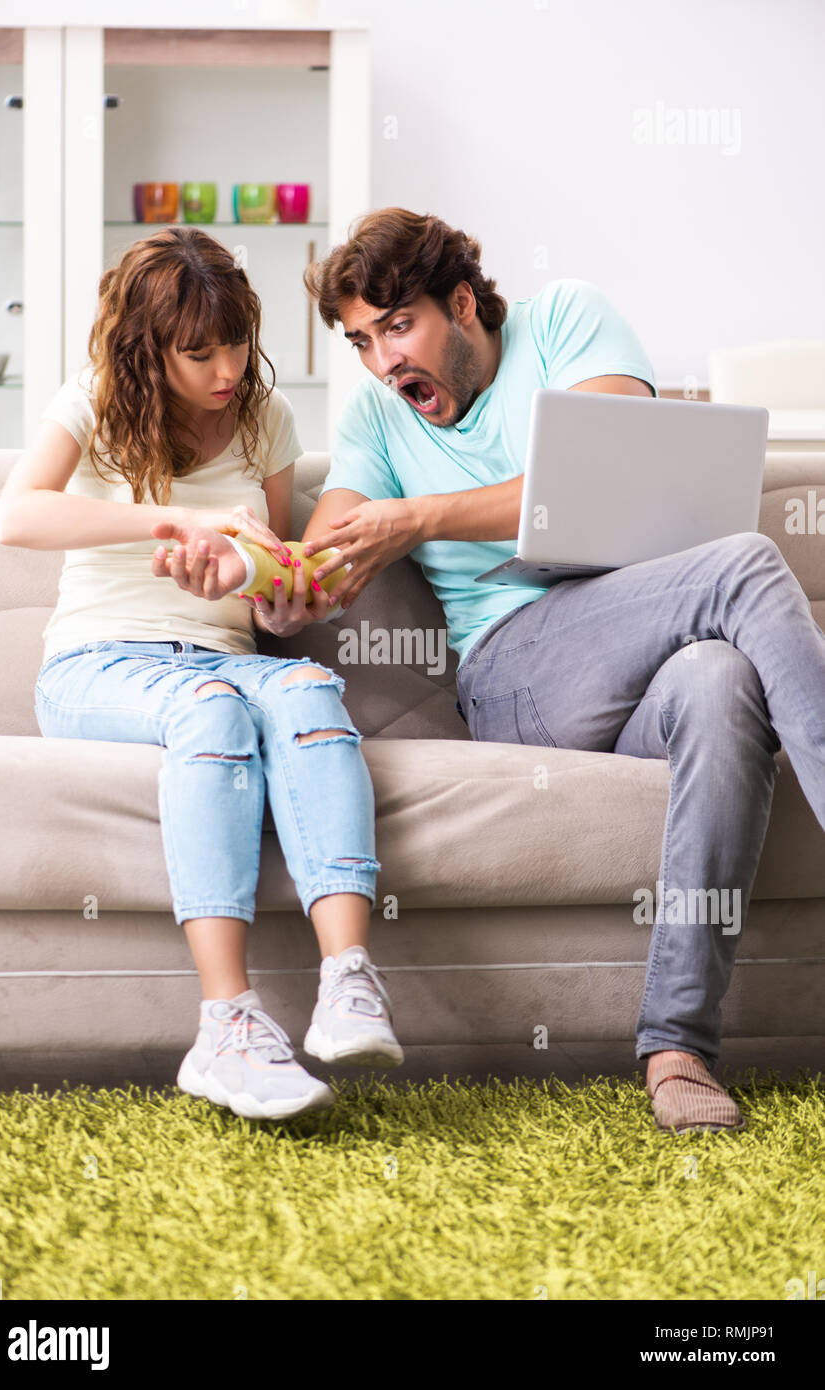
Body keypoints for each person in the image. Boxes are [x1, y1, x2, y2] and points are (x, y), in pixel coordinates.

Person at [253, 205, 825, 1135]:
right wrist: (291, 586)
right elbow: (330, 542)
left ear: (465, 302)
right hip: (517, 674)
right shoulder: (375, 417)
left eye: (398, 326)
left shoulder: (564, 319)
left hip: (651, 650)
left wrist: (422, 517)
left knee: (721, 679)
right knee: (745, 561)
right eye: (361, 341)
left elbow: (620, 470)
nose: (382, 361)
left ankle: (677, 1052)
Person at [0, 226, 402, 1123]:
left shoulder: (266, 418)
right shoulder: (95, 400)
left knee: (304, 687)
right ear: (149, 351)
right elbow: (16, 516)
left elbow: (277, 582)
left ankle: (346, 981)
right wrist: (180, 523)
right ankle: (225, 1025)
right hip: (99, 664)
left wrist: (281, 592)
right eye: (198, 351)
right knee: (212, 708)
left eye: (238, 341)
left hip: (226, 655)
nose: (227, 367)